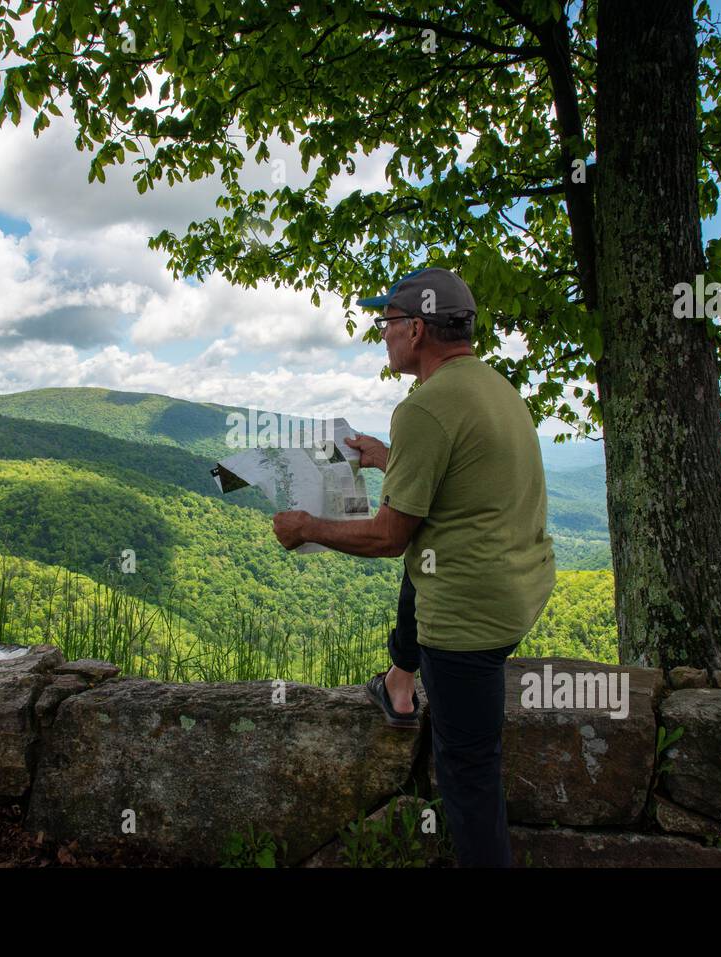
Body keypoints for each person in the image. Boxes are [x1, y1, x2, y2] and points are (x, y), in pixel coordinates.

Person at [271, 266, 556, 867]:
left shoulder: (424, 408)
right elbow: (459, 483)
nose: (384, 333)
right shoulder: (494, 388)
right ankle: (401, 686)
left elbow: (388, 537)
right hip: (521, 584)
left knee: (470, 774)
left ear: (418, 330)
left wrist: (307, 528)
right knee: (423, 563)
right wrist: (390, 461)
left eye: (389, 323)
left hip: (470, 618)